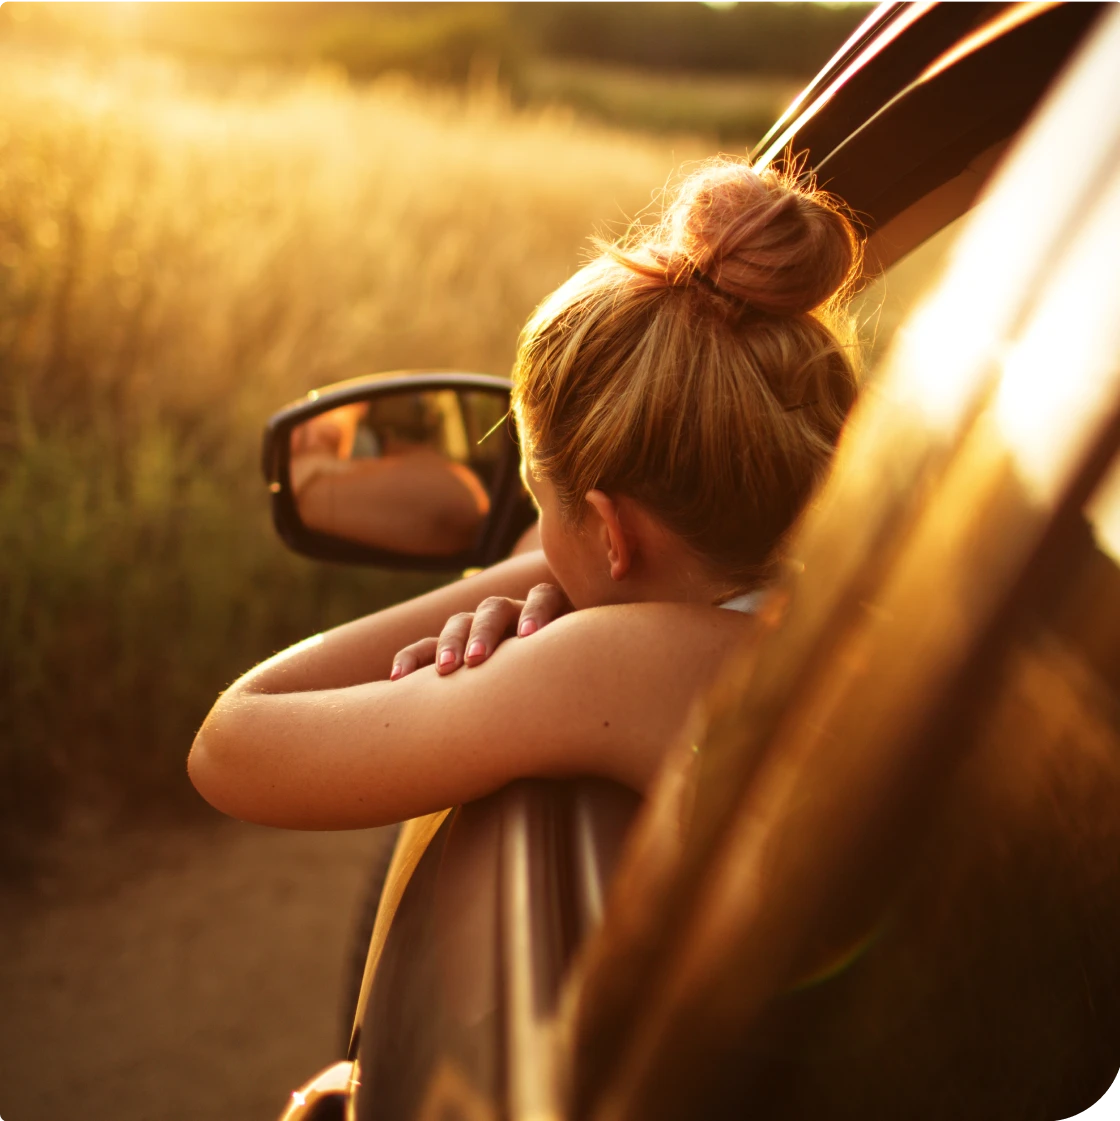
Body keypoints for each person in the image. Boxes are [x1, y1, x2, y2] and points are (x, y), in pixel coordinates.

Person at [188, 157, 861, 830]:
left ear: (611, 531)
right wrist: (594, 577)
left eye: (539, 502)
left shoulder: (615, 663)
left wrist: (562, 590)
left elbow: (229, 743)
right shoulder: (860, 602)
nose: (537, 534)